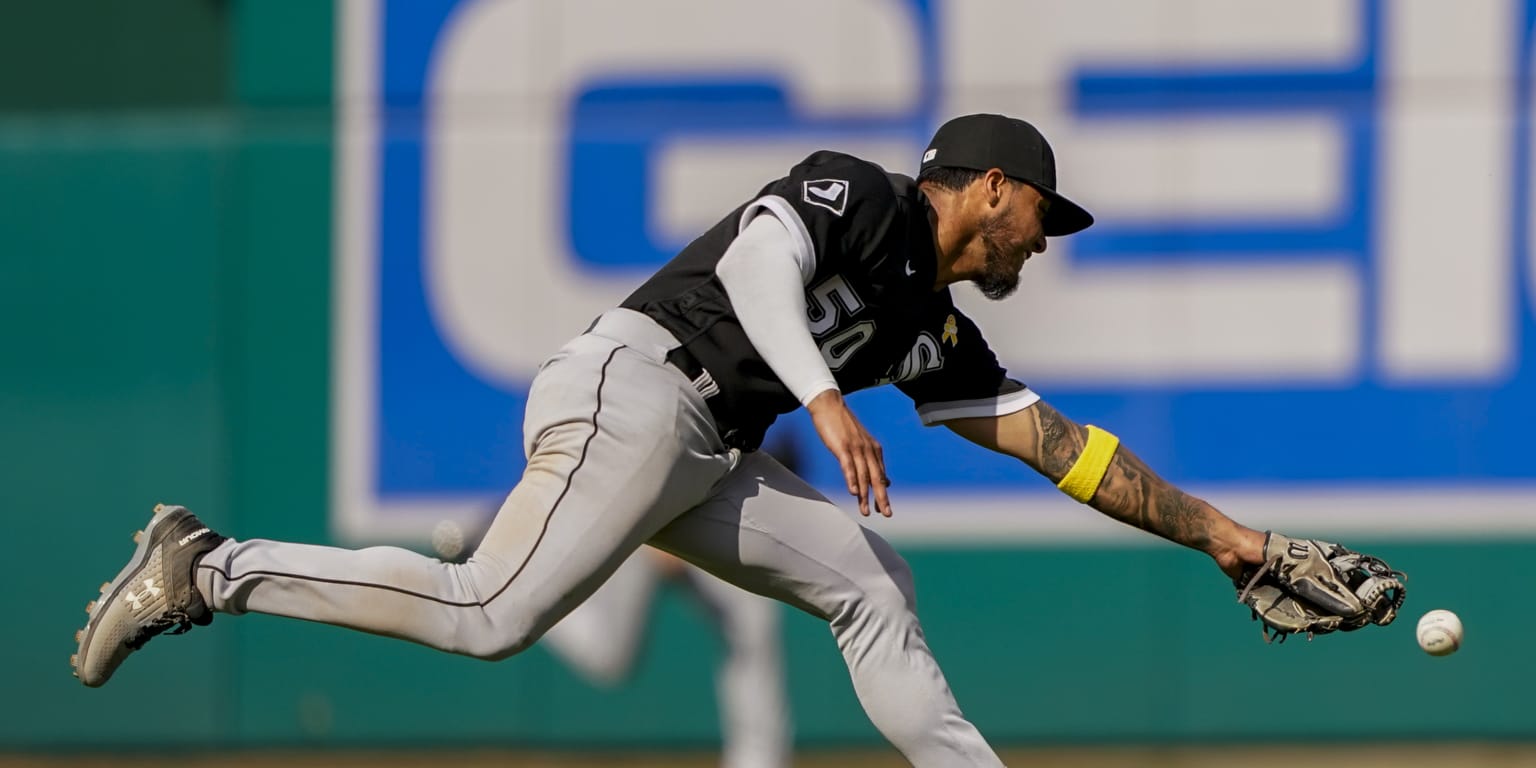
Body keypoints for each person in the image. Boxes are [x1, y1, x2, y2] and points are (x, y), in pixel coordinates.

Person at [75, 114, 1315, 766]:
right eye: (1043, 215)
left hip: (706, 450)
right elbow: (760, 261)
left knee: (874, 585)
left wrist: (1229, 541)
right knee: (487, 615)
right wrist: (824, 401)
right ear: (992, 185)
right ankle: (210, 566)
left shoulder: (933, 329)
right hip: (634, 386)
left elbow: (1055, 444)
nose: (1045, 242)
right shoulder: (865, 193)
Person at [507, 433, 802, 768]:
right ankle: (529, 607)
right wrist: (661, 525)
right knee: (610, 658)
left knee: (750, 625)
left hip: (691, 517)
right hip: (643, 519)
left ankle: (758, 758)